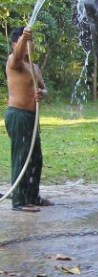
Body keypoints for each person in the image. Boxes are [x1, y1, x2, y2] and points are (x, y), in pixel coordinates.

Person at [5, 26, 51, 212]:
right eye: (26, 42)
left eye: (31, 42)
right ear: (16, 43)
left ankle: (33, 196)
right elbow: (17, 56)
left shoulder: (35, 67)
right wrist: (24, 38)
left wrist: (42, 93)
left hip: (33, 117)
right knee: (22, 156)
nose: (30, 45)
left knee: (36, 158)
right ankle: (19, 201)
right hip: (18, 114)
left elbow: (45, 89)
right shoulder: (13, 62)